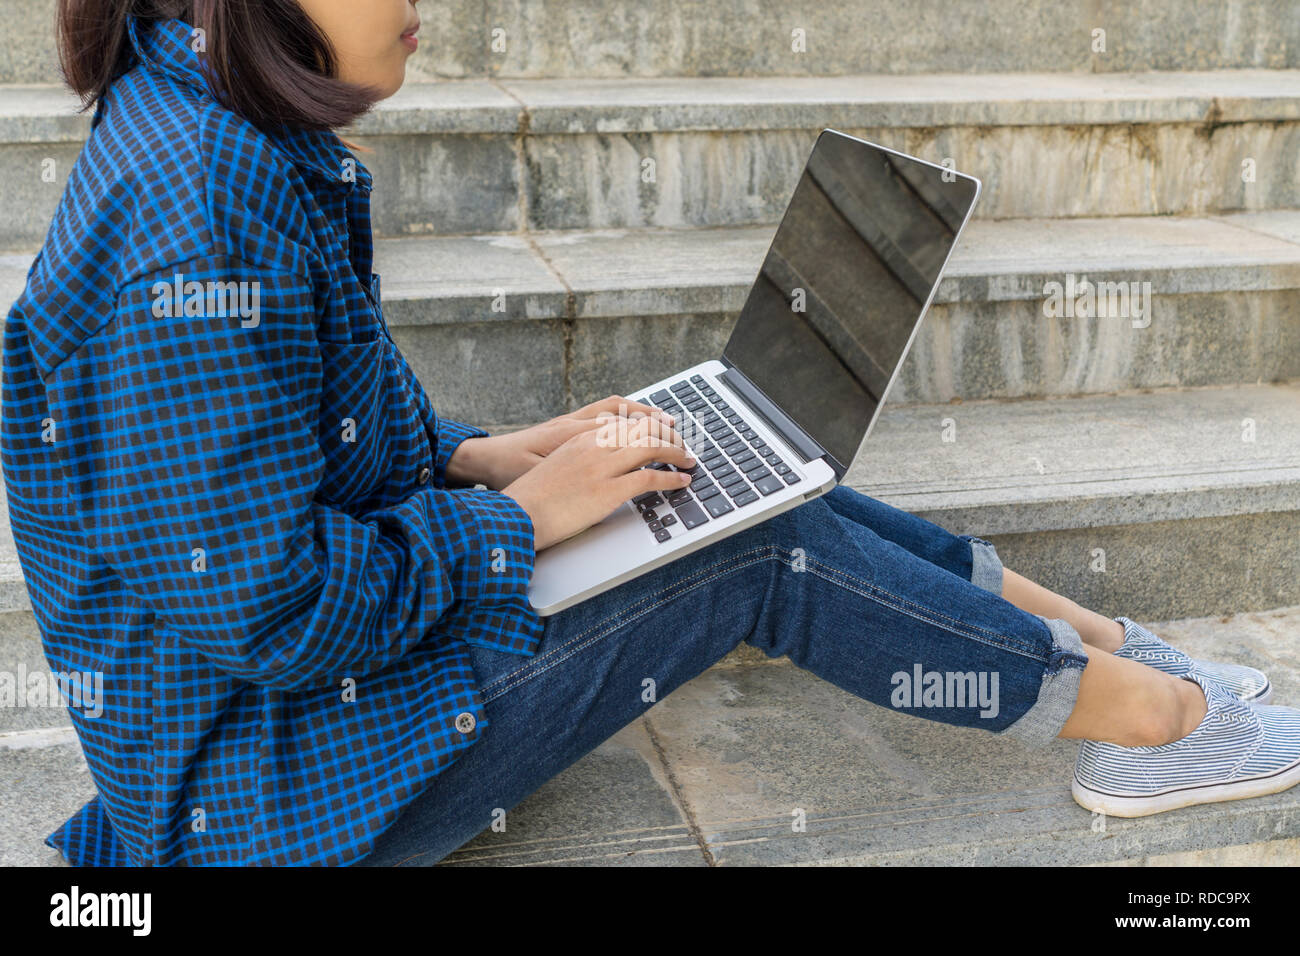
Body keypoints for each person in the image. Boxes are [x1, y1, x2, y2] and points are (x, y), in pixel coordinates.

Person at [5, 0, 1295, 867]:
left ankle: (1104, 641)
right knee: (743, 555)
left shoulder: (230, 140)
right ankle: (1153, 723)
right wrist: (518, 522)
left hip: (255, 722)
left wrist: (486, 457)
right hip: (261, 788)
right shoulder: (199, 217)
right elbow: (267, 612)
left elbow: (312, 428)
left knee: (743, 478)